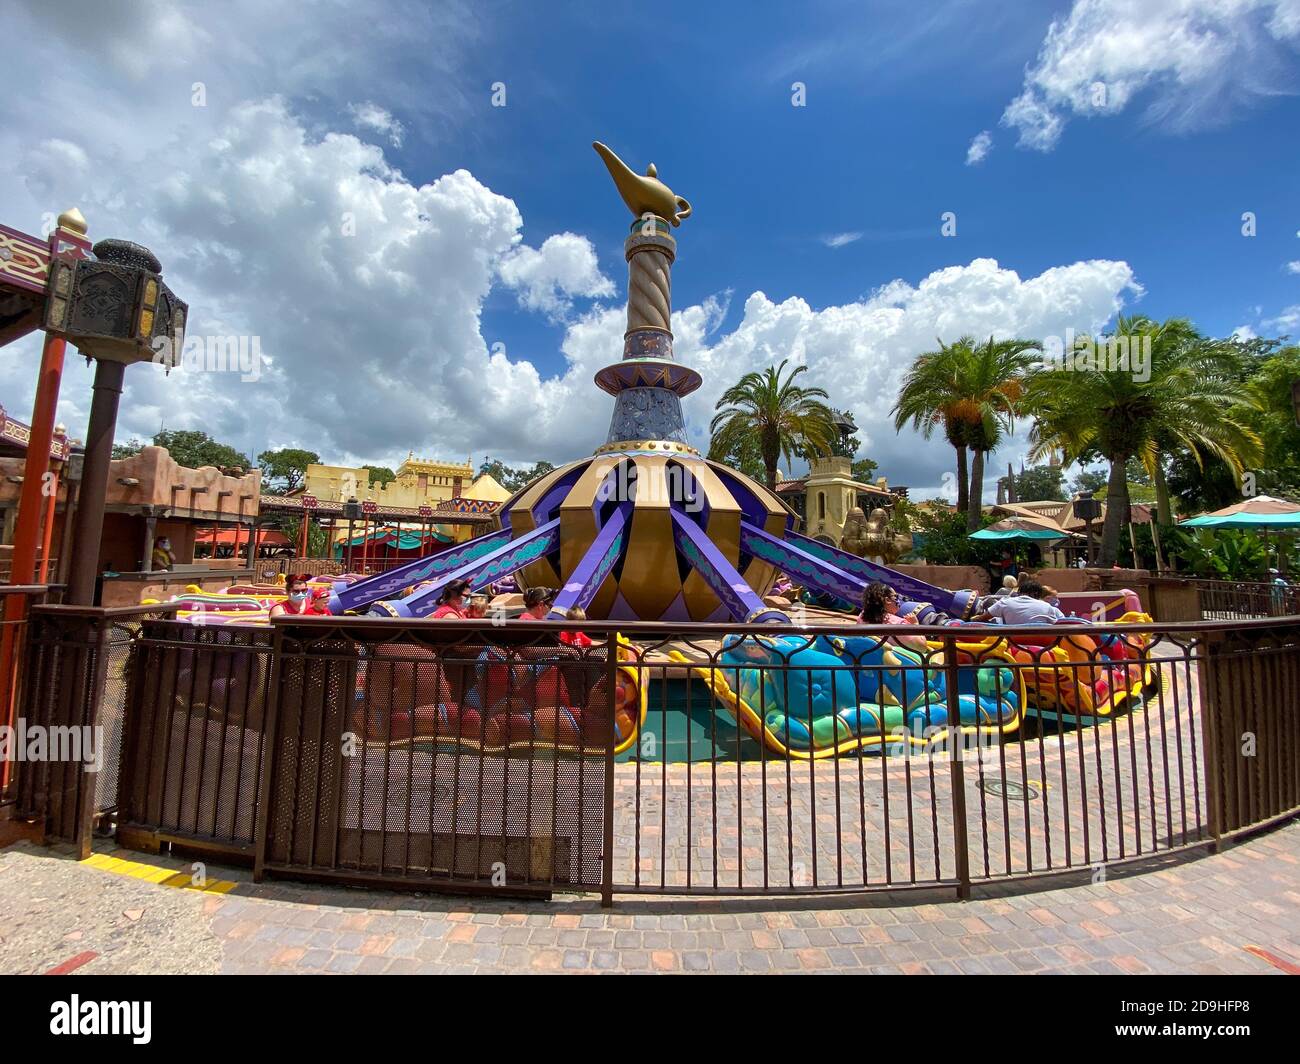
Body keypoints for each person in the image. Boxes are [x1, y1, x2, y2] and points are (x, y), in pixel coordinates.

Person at [858, 581, 927, 652]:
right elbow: (922, 648)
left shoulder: (862, 616)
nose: (899, 600)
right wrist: (915, 624)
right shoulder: (899, 624)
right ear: (887, 600)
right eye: (896, 597)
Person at [975, 578, 1065, 625]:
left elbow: (982, 618)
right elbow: (1058, 625)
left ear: (1020, 592)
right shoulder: (1047, 607)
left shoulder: (1005, 602)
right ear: (1038, 594)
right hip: (1042, 644)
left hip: (1013, 643)